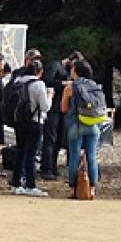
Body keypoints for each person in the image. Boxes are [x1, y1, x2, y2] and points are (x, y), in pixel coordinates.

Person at [62, 60, 106, 196]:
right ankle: (92, 189)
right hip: (93, 124)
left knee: (74, 156)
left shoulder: (70, 87)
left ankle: (74, 189)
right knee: (92, 156)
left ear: (75, 71)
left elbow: (63, 108)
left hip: (76, 125)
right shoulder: (96, 86)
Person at [10, 59, 51, 196]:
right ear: (40, 72)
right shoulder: (39, 84)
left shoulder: (18, 81)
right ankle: (30, 185)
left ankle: (16, 183)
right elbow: (45, 106)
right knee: (31, 154)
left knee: (20, 151)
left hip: (19, 120)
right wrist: (50, 96)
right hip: (34, 120)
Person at [39, 52, 75, 180]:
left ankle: (53, 165)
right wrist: (63, 84)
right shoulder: (55, 65)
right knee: (50, 137)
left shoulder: (66, 70)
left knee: (59, 139)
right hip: (53, 107)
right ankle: (46, 167)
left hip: (62, 108)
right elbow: (47, 81)